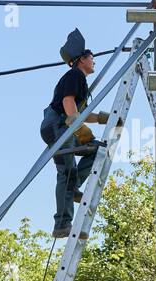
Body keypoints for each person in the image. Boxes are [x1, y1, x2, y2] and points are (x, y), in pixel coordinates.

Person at [41, 28, 109, 237]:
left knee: (97, 151)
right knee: (66, 171)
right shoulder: (74, 75)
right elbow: (68, 102)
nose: (94, 61)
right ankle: (62, 224)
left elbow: (79, 112)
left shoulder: (80, 79)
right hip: (57, 125)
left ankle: (73, 188)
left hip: (62, 124)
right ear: (82, 60)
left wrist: (99, 118)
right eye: (92, 57)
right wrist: (76, 125)